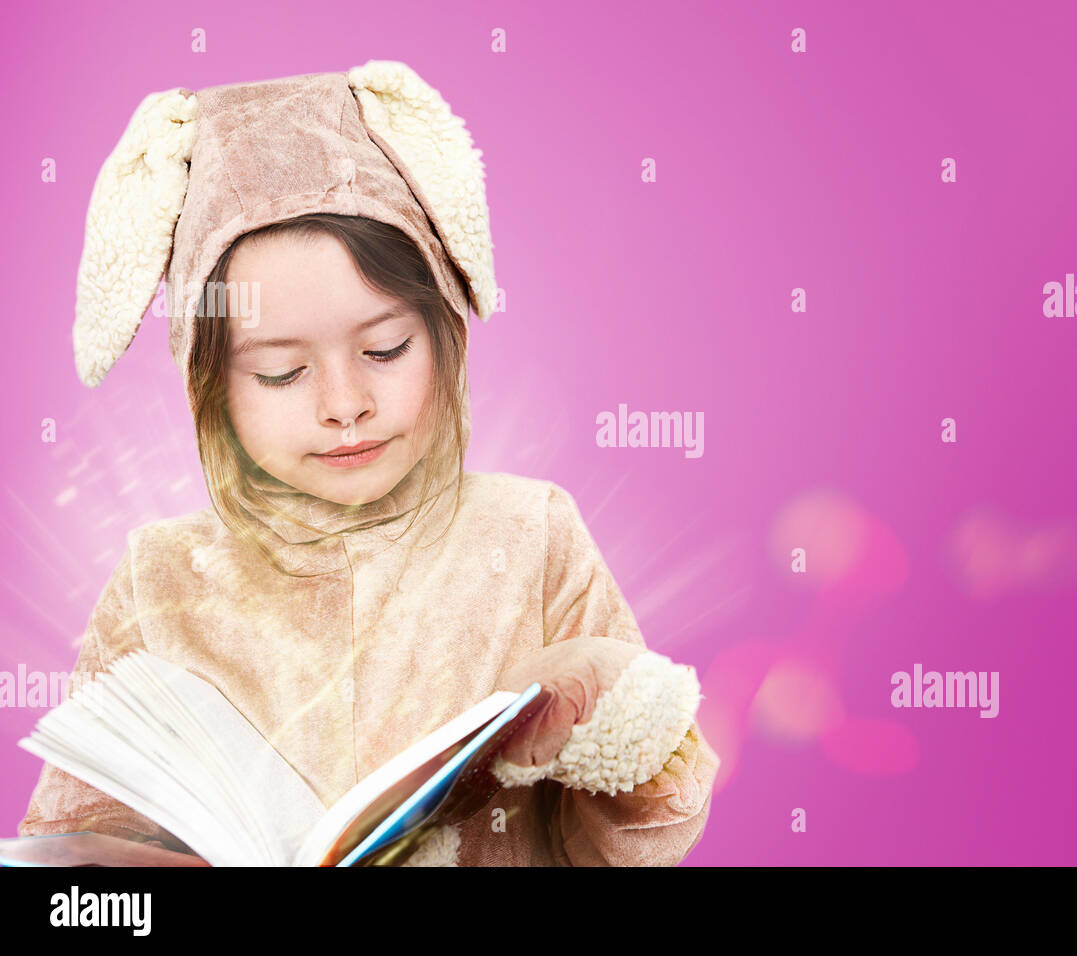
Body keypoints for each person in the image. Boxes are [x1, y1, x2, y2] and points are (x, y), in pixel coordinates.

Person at [16, 61, 718, 866]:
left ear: (443, 337)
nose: (344, 403)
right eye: (282, 373)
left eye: (385, 349)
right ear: (212, 388)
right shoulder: (158, 578)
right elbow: (75, 859)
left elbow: (639, 836)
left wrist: (619, 714)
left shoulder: (532, 535)